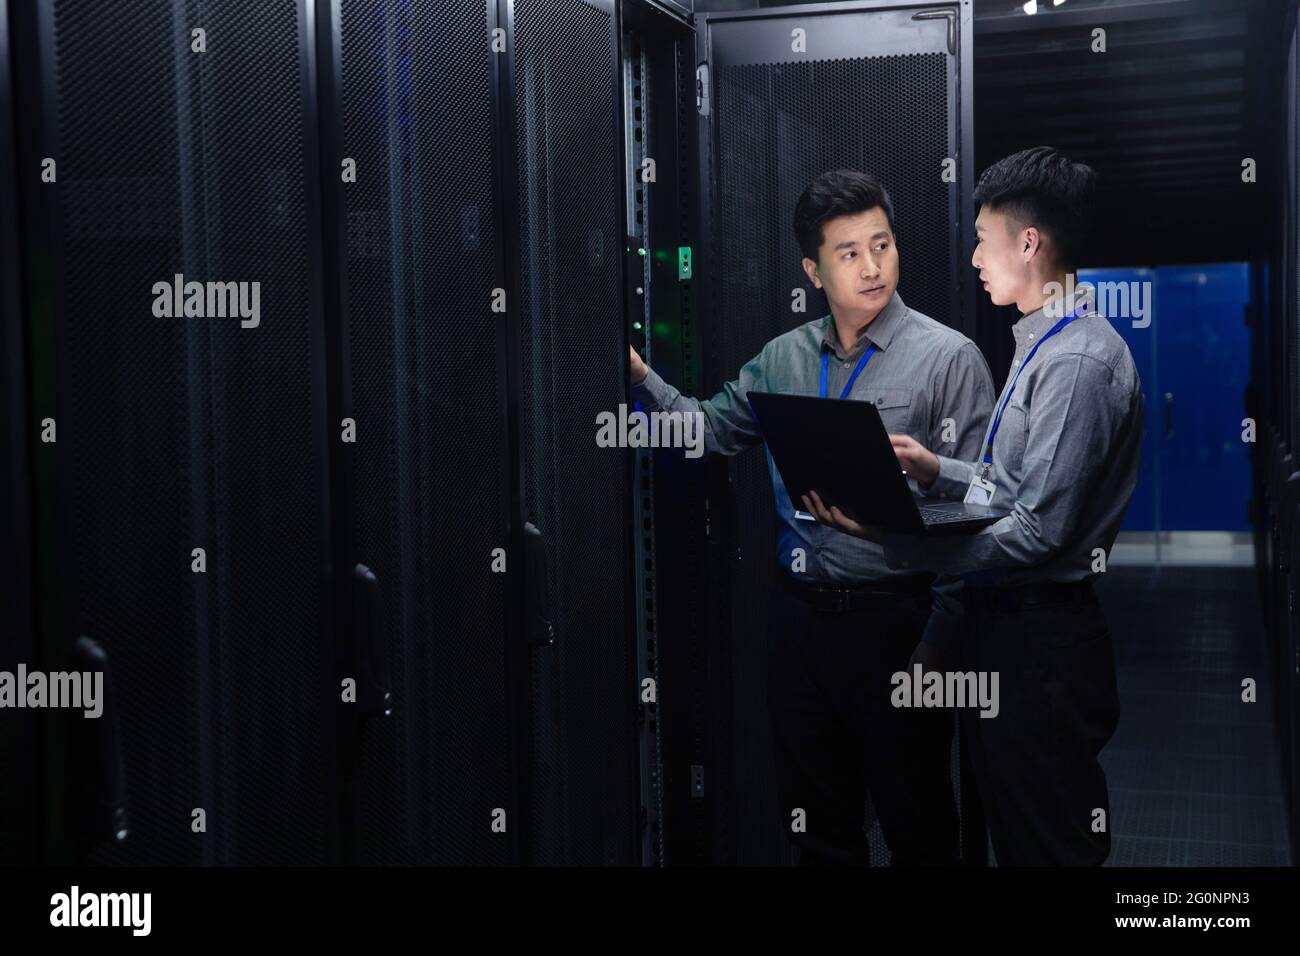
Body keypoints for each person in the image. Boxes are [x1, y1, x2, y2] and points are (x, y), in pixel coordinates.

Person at [630, 169, 995, 865]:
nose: (871, 266)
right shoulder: (784, 359)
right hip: (800, 626)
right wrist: (640, 377)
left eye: (882, 245)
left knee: (918, 824)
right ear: (813, 269)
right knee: (818, 825)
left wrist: (940, 643)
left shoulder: (949, 359)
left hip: (901, 624)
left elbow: (979, 505)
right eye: (849, 253)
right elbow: (704, 432)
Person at [802, 147, 1142, 866]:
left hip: (1042, 646)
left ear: (1028, 243)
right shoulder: (1040, 342)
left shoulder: (1076, 361)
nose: (976, 258)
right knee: (1012, 831)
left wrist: (898, 541)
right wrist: (945, 471)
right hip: (1012, 636)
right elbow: (1013, 490)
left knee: (1045, 844)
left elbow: (1036, 532)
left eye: (984, 239)